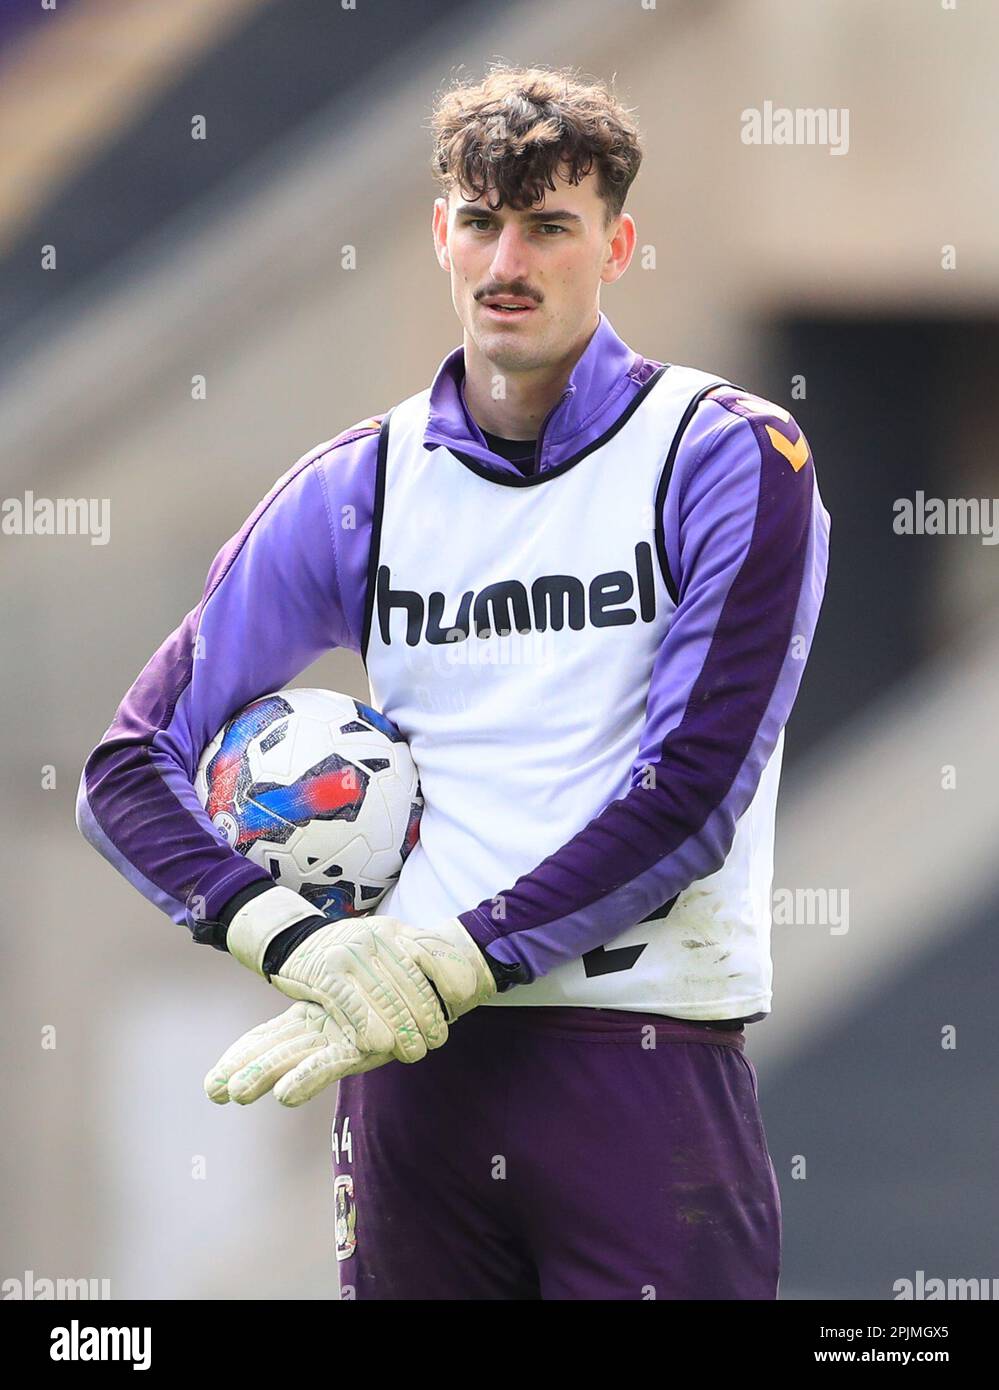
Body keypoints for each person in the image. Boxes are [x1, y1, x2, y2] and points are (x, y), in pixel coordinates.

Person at [77, 62, 830, 1300]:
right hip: (408, 1074)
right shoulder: (357, 484)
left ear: (618, 244)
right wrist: (294, 943)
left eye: (549, 226)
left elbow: (695, 791)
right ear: (441, 233)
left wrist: (473, 952)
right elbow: (126, 768)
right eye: (481, 221)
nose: (506, 262)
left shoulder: (728, 451)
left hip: (644, 1058)